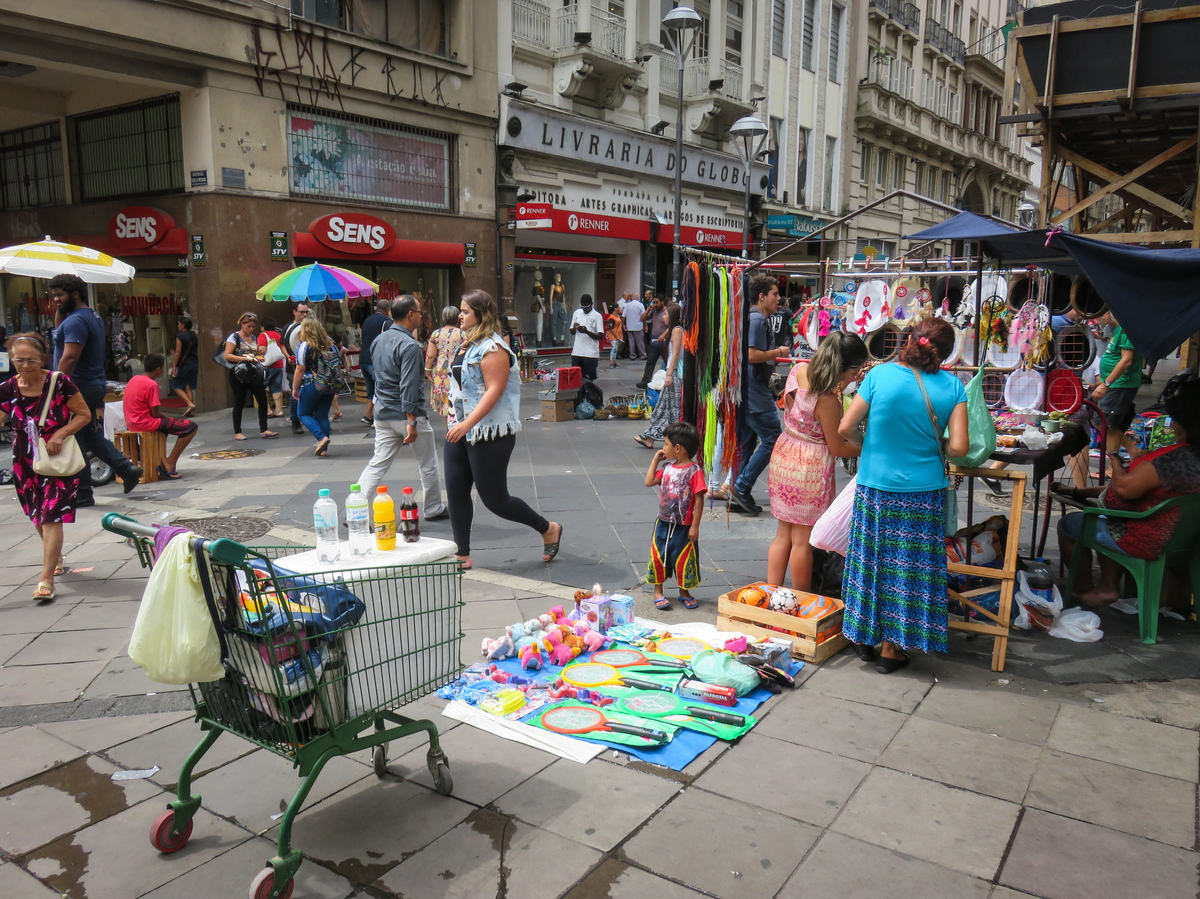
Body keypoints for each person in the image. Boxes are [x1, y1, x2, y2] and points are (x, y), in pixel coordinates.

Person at [837, 318, 969, 673]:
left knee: (869, 562)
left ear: (910, 340)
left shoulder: (879, 375)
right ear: (945, 353)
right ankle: (890, 650)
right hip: (921, 494)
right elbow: (960, 447)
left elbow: (846, 427)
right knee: (906, 570)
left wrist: (871, 446)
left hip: (874, 487)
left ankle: (863, 636)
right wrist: (936, 443)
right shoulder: (953, 386)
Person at [444, 290, 562, 570]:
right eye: (460, 311)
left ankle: (548, 529)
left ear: (481, 314)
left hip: (490, 433)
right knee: (456, 492)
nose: (460, 316)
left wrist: (467, 424)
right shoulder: (467, 343)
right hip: (458, 429)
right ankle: (462, 553)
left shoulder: (493, 348)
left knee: (496, 500)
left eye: (465, 311)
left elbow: (494, 391)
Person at [1055, 380, 1200, 606]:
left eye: (1173, 421)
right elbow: (1141, 491)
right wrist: (1078, 492)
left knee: (1070, 525)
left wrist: (1116, 463)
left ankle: (1092, 589)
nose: (1171, 426)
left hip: (1148, 539)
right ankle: (1110, 585)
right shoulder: (1188, 458)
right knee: (1108, 516)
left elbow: (1123, 489)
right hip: (1185, 540)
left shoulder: (1167, 461)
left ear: (1183, 425)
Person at [766, 333, 867, 590]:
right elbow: (838, 447)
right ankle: (801, 600)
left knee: (782, 535)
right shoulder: (827, 399)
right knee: (802, 541)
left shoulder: (799, 370)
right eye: (854, 371)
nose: (856, 376)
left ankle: (771, 594)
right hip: (808, 467)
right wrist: (868, 447)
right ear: (841, 366)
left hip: (784, 455)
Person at [0, 333, 92, 602]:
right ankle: (56, 557)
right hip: (24, 460)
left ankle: (46, 579)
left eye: (31, 360)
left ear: (42, 359)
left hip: (56, 457)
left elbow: (84, 414)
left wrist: (60, 434)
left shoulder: (58, 382)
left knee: (51, 514)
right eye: (19, 360)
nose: (25, 365)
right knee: (37, 514)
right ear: (11, 359)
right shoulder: (7, 388)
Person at [48, 273, 142, 504]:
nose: (55, 300)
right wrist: (60, 308)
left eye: (60, 295)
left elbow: (70, 357)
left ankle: (82, 494)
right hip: (90, 385)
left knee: (74, 437)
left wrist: (56, 387)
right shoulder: (89, 316)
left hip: (78, 387)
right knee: (86, 433)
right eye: (54, 296)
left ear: (75, 294)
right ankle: (125, 468)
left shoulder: (76, 321)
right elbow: (60, 331)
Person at [358, 296, 447, 521]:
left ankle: (356, 511)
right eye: (420, 312)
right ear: (410, 314)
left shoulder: (379, 341)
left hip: (382, 412)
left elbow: (380, 378)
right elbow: (409, 385)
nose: (421, 317)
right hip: (405, 414)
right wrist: (411, 421)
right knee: (428, 464)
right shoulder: (409, 346)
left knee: (377, 463)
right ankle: (433, 509)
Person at [730, 276, 789, 515]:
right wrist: (778, 351)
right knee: (773, 438)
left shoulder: (751, 318)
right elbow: (751, 355)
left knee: (747, 442)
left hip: (746, 391)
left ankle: (736, 492)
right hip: (754, 393)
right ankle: (741, 487)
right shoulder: (756, 319)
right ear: (762, 297)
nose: (779, 299)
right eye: (775, 294)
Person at [643, 421, 706, 611]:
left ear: (677, 448)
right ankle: (658, 591)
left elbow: (699, 500)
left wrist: (695, 526)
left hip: (684, 526)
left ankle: (684, 592)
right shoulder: (666, 468)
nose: (663, 448)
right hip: (662, 523)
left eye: (666, 444)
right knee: (658, 556)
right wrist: (655, 460)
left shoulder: (694, 471)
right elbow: (649, 481)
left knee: (684, 558)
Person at [122, 353, 198, 480]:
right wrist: (167, 417)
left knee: (166, 426)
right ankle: (170, 462)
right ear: (158, 369)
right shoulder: (151, 384)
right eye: (163, 367)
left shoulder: (133, 379)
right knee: (190, 427)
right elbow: (156, 414)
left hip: (131, 422)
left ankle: (158, 460)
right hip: (145, 422)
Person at [1091, 310, 1144, 462]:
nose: (1103, 316)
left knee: (1109, 426)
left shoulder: (1128, 331)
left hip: (1120, 385)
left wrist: (1106, 384)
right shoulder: (1119, 329)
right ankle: (1133, 451)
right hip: (1113, 384)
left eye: (1106, 313)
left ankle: (1115, 467)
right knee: (1100, 422)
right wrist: (1101, 382)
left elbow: (1126, 361)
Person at [634, 303, 684, 448]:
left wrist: (669, 374)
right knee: (664, 406)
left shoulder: (677, 330)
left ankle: (656, 436)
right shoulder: (674, 330)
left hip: (675, 374)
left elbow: (675, 354)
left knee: (668, 407)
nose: (663, 317)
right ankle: (650, 436)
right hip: (673, 373)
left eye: (666, 314)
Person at [224, 312, 277, 441]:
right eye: (249, 326)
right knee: (239, 401)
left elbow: (256, 353)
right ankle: (238, 431)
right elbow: (227, 355)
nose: (251, 329)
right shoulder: (234, 337)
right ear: (242, 324)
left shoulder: (253, 337)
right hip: (239, 373)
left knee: (262, 399)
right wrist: (243, 358)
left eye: (253, 327)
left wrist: (259, 356)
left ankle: (264, 429)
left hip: (253, 372)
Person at [291, 317, 339, 456]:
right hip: (329, 384)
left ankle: (321, 438)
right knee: (322, 415)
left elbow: (300, 368)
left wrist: (295, 388)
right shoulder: (330, 344)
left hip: (311, 383)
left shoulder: (305, 346)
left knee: (303, 413)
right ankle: (324, 450)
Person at [425, 305, 464, 425]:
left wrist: (427, 370)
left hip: (440, 371)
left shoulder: (436, 334)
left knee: (443, 403)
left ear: (443, 318)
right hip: (457, 370)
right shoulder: (463, 334)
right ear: (457, 318)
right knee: (458, 398)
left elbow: (430, 355)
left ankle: (447, 428)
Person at [358, 298, 391, 427]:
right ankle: (377, 418)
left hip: (363, 359)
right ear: (388, 310)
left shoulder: (367, 320)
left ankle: (368, 415)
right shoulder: (386, 321)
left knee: (371, 389)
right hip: (375, 360)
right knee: (381, 389)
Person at [282, 302, 310, 435]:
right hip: (294, 367)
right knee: (295, 394)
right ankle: (295, 420)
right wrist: (289, 357)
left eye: (306, 312)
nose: (304, 315)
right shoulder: (288, 327)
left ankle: (315, 419)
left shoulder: (310, 326)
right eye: (302, 312)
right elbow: (282, 344)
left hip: (310, 365)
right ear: (294, 312)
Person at [637, 296, 671, 389]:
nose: (655, 304)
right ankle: (645, 381)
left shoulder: (666, 312)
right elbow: (642, 318)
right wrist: (648, 309)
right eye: (654, 302)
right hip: (654, 341)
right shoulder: (654, 311)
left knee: (667, 362)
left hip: (664, 342)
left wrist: (663, 335)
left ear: (662, 302)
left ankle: (670, 378)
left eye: (657, 302)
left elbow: (670, 326)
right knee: (650, 362)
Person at [257, 316, 288, 418]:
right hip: (279, 365)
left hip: (267, 365)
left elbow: (262, 350)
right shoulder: (278, 335)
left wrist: (255, 353)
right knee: (276, 388)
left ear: (262, 327)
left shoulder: (263, 335)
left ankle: (268, 410)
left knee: (263, 388)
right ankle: (279, 410)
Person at [569, 294, 605, 382]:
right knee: (575, 379)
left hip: (590, 354)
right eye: (583, 307)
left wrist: (586, 332)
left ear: (591, 304)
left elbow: (600, 336)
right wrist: (574, 328)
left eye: (586, 308)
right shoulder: (577, 313)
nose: (584, 310)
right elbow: (572, 332)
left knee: (588, 380)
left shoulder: (597, 316)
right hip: (577, 352)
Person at [169, 318, 198, 414]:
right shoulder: (193, 335)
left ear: (183, 325)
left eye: (179, 324)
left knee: (175, 385)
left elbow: (178, 351)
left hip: (184, 364)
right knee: (188, 386)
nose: (178, 326)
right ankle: (190, 410)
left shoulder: (180, 336)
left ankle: (189, 404)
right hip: (194, 363)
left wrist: (174, 365)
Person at [623, 292, 646, 360]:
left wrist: (624, 324)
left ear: (631, 298)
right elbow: (644, 316)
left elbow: (623, 316)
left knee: (631, 342)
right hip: (638, 326)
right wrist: (645, 325)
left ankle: (632, 355)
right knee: (640, 342)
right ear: (637, 298)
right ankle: (643, 355)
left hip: (629, 326)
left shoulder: (627, 305)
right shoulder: (640, 305)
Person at [606, 303, 625, 368]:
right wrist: (616, 336)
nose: (619, 308)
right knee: (614, 349)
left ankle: (614, 362)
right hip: (614, 336)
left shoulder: (618, 316)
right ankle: (612, 362)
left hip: (618, 335)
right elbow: (611, 328)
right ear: (615, 308)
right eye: (618, 307)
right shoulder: (611, 318)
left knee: (616, 349)